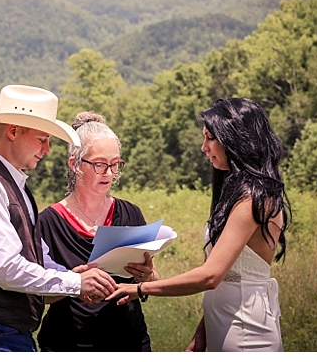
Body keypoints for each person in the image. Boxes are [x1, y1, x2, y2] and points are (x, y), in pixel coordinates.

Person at [110, 98, 290, 353]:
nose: (203, 147)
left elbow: (211, 276)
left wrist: (140, 288)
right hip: (226, 326)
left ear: (234, 138)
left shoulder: (253, 199)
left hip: (247, 333)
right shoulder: (237, 193)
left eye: (210, 138)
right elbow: (231, 277)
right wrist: (202, 333)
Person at [0, 85, 117, 352]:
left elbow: (36, 258)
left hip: (10, 334)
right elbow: (5, 268)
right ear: (13, 131)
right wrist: (75, 283)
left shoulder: (15, 187)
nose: (48, 149)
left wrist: (72, 278)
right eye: (42, 139)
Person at [37, 112, 156, 352]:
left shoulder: (131, 214)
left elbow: (152, 280)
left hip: (129, 343)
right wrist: (74, 283)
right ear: (74, 164)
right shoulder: (47, 222)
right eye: (100, 164)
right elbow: (37, 294)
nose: (109, 173)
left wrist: (146, 277)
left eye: (115, 164)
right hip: (68, 344)